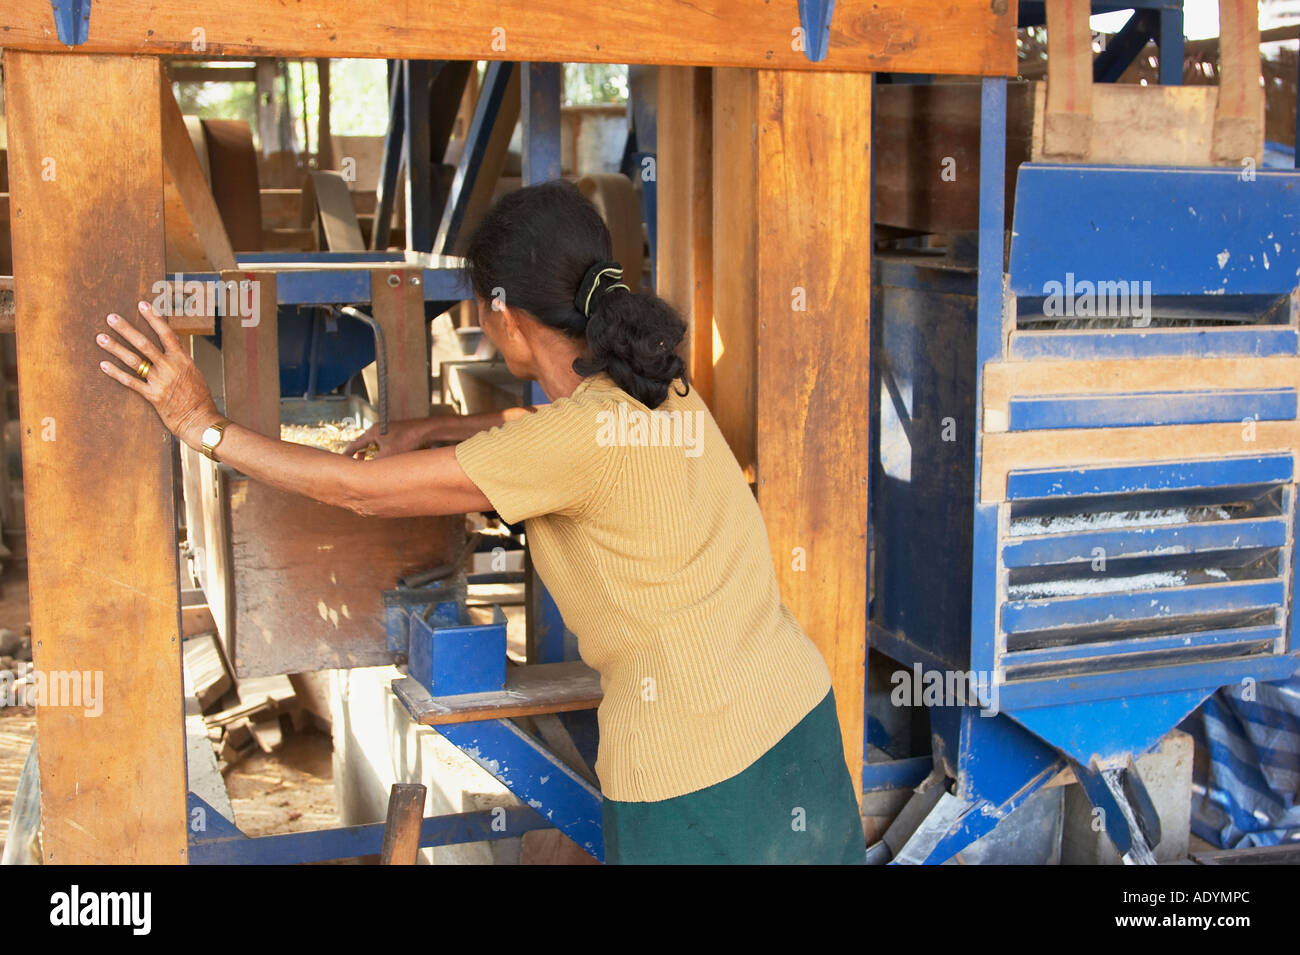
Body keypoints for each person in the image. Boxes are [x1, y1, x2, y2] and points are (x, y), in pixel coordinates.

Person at [96, 179, 866, 865]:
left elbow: (358, 491)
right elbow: (536, 434)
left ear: (502, 314)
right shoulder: (660, 382)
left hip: (697, 773)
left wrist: (203, 426)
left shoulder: (569, 443)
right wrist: (428, 430)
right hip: (796, 720)